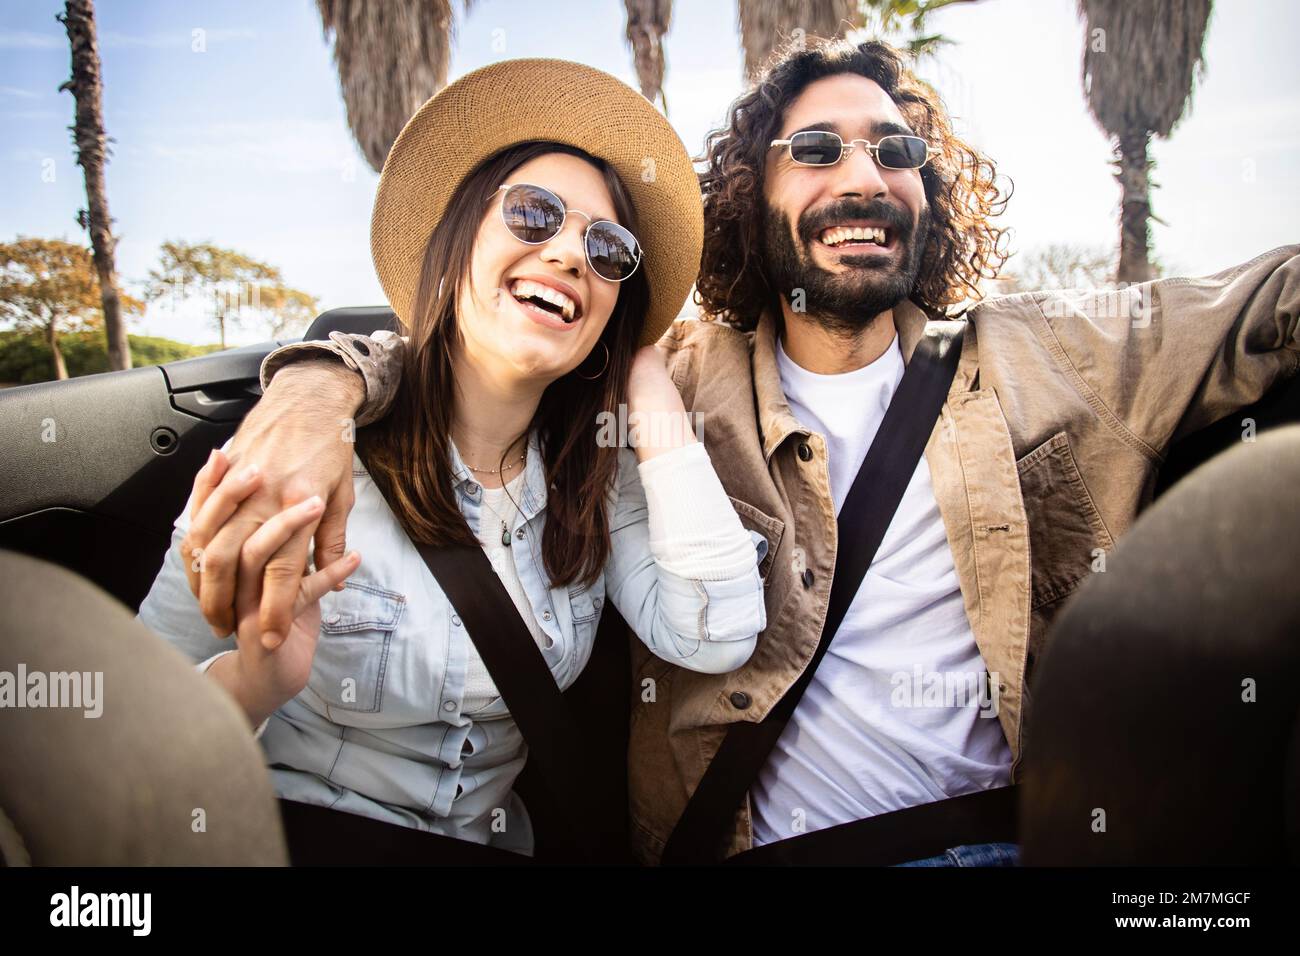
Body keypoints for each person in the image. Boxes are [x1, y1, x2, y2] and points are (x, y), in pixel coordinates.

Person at [180, 39, 1300, 865]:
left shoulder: (1056, 351)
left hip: (1006, 843)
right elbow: (482, 346)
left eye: (895, 151)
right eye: (814, 150)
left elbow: (1265, 304)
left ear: (927, 194)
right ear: (751, 195)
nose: (862, 176)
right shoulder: (679, 368)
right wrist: (317, 386)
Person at [136, 58, 766, 859]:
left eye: (609, 250)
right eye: (535, 214)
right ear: (456, 236)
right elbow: (123, 731)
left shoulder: (595, 482)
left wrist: (649, 385)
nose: (573, 255)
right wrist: (250, 688)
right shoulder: (304, 456)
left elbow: (714, 635)